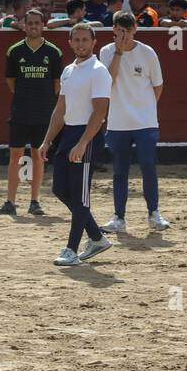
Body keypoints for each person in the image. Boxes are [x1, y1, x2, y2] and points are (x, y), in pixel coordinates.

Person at [39, 22, 111, 267]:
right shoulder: (69, 70)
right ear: (70, 43)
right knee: (60, 189)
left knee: (80, 197)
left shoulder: (99, 70)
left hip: (86, 135)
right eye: (76, 40)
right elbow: (60, 110)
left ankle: (71, 249)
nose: (80, 43)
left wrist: (83, 143)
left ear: (93, 42)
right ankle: (97, 237)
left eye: (84, 39)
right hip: (69, 132)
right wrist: (47, 141)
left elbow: (100, 112)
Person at [99, 11, 168, 234]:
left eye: (129, 31)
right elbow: (107, 83)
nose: (125, 36)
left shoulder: (147, 53)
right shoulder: (107, 51)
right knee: (120, 170)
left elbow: (158, 86)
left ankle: (153, 213)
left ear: (135, 30)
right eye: (120, 31)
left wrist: (145, 109)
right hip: (118, 122)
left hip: (145, 121)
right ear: (114, 31)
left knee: (148, 165)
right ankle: (119, 217)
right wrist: (118, 52)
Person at [0, 8, 61, 217]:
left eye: (36, 23)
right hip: (21, 112)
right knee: (15, 156)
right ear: (24, 25)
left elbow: (57, 84)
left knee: (38, 156)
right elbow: (10, 81)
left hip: (43, 113)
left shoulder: (53, 52)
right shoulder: (15, 51)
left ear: (43, 25)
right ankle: (10, 202)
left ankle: (35, 201)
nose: (33, 26)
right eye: (30, 23)